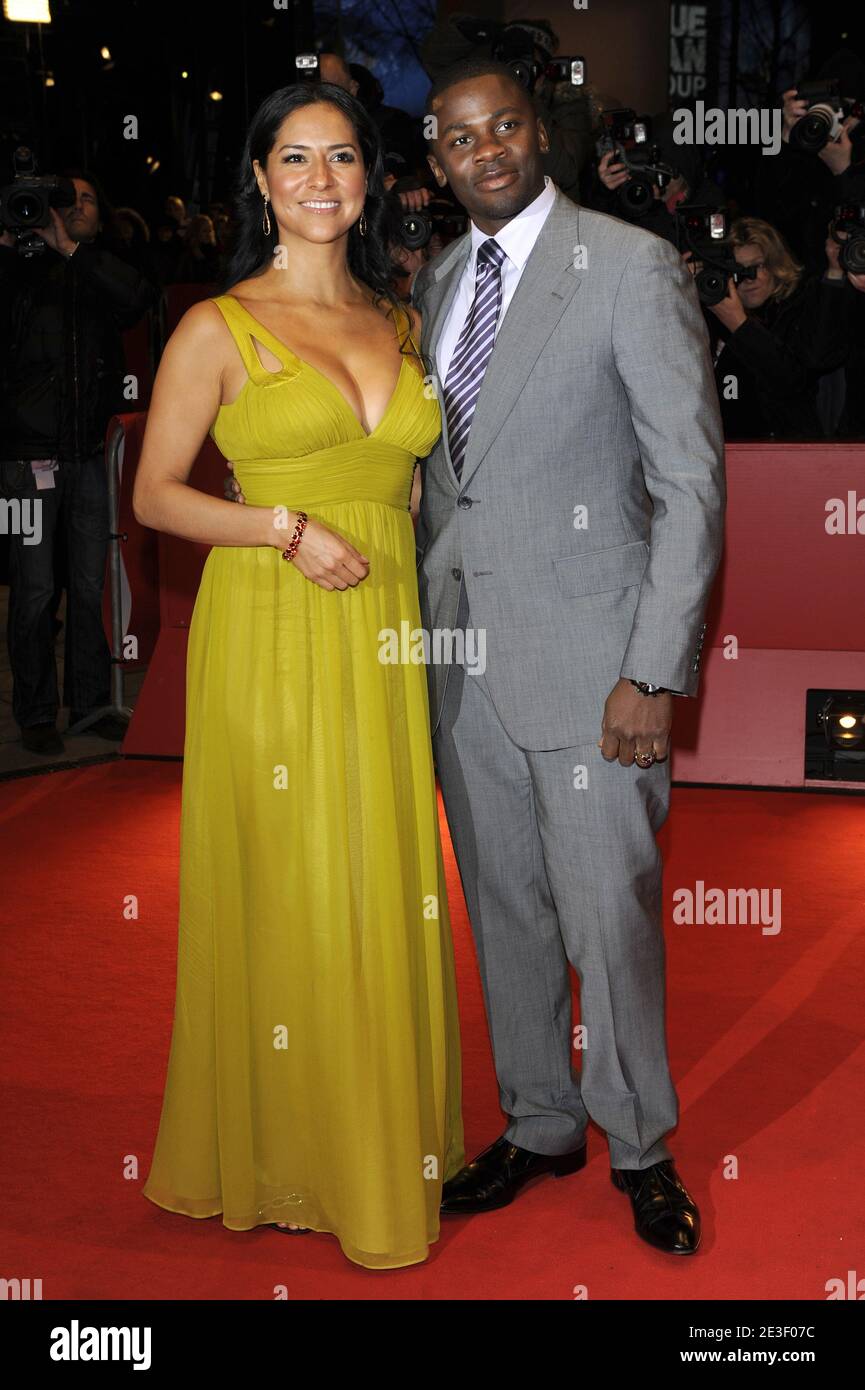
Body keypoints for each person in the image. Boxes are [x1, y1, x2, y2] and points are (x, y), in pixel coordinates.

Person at [133, 81, 464, 1270]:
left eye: (341, 158)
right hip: (273, 626)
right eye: (294, 158)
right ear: (261, 179)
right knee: (298, 885)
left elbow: (420, 494)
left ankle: (382, 1150)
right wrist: (277, 526)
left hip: (383, 633)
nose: (320, 179)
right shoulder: (218, 325)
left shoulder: (402, 317)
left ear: (370, 178)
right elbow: (157, 493)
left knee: (380, 881)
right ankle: (287, 1157)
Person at [410, 59, 726, 1254]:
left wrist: (652, 673)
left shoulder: (627, 264)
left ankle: (639, 1143)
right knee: (506, 911)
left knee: (610, 916)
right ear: (435, 161)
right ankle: (539, 1119)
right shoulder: (437, 279)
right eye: (457, 137)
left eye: (503, 127)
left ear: (540, 133)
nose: (484, 150)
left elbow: (689, 485)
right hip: (463, 669)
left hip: (597, 666)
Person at [0, 169, 154, 755]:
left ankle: (89, 706)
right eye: (60, 200)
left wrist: (68, 249)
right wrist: (12, 240)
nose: (71, 209)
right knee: (34, 590)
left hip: (88, 455)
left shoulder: (98, 267)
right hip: (22, 461)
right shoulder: (16, 269)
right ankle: (36, 713)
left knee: (91, 587)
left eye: (84, 200)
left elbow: (138, 301)